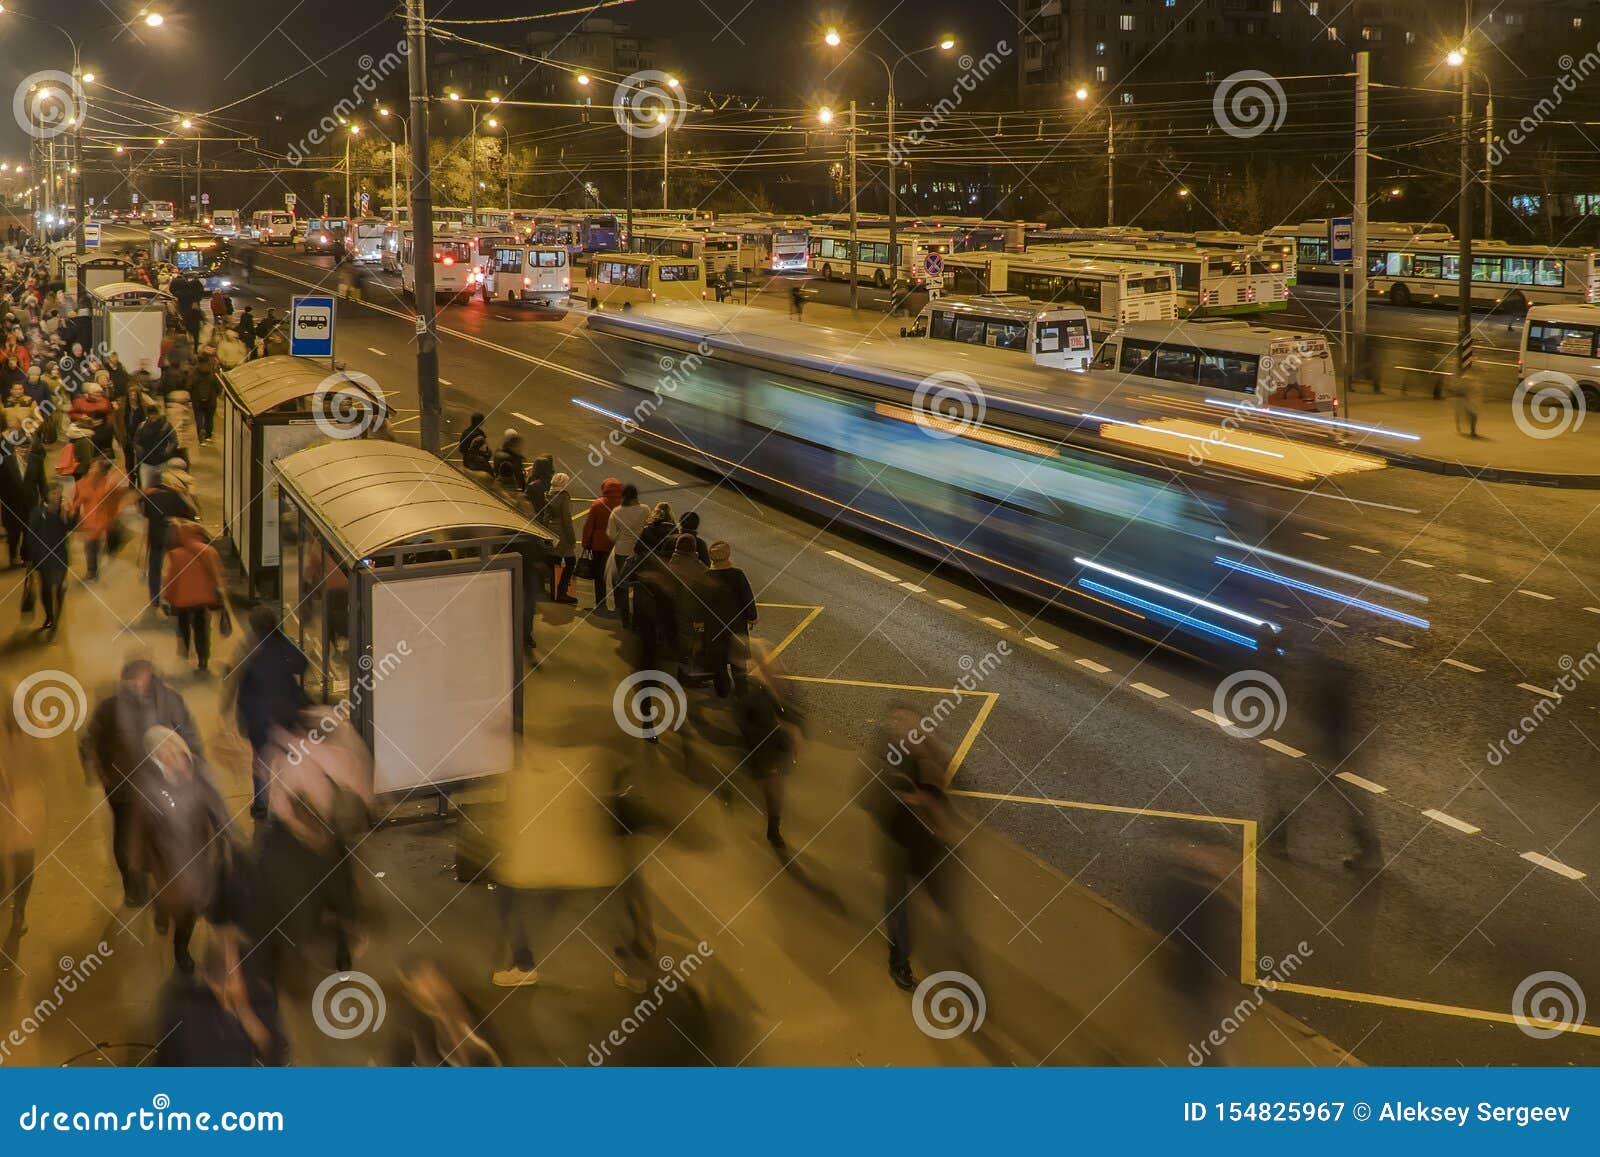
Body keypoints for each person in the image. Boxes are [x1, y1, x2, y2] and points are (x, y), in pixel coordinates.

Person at [862, 703, 971, 992]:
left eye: (915, 725)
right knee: (898, 908)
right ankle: (899, 964)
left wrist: (930, 750)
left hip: (927, 847)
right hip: (899, 846)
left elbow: (954, 779)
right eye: (902, 723)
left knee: (941, 900)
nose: (910, 729)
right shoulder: (888, 759)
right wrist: (913, 802)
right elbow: (870, 798)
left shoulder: (922, 755)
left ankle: (956, 949)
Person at [80, 656, 205, 909]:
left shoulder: (169, 702)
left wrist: (192, 763)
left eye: (141, 682)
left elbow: (188, 735)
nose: (136, 688)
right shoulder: (110, 707)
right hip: (122, 789)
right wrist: (99, 773)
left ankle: (156, 886)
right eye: (131, 683)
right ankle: (132, 887)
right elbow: (88, 741)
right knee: (125, 838)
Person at [136, 725, 227, 973]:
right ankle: (169, 926)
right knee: (178, 905)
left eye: (173, 749)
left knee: (192, 908)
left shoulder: (199, 770)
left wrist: (225, 834)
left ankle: (178, 940)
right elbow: (142, 829)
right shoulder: (149, 786)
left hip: (197, 854)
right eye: (162, 753)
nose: (172, 756)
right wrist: (145, 860)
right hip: (167, 863)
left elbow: (217, 806)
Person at [157, 927, 287, 1065]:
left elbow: (275, 1056)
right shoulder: (183, 1014)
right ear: (211, 981)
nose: (238, 985)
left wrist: (244, 1012)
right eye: (231, 976)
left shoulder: (259, 1000)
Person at [231, 605, 309, 821]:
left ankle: (262, 806)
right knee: (289, 758)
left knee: (261, 764)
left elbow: (243, 691)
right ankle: (291, 801)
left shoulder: (249, 651)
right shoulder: (280, 645)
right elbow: (301, 665)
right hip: (286, 716)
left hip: (260, 721)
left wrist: (242, 720)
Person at [733, 645, 801, 855]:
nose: (773, 665)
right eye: (767, 662)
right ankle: (773, 826)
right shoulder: (751, 690)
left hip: (780, 747)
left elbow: (794, 714)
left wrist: (794, 733)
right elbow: (744, 722)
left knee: (776, 789)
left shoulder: (783, 685)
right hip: (762, 749)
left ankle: (773, 827)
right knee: (769, 789)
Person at [0, 687, 44, 961]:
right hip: (15, 810)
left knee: (23, 866)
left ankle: (18, 911)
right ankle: (14, 909)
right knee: (17, 865)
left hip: (24, 810)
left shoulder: (31, 728)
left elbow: (43, 759)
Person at [162, 518, 224, 672]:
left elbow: (171, 580)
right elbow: (218, 575)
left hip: (182, 600)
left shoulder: (176, 554)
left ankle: (184, 652)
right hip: (203, 600)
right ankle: (203, 659)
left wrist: (167, 598)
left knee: (183, 625)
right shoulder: (209, 551)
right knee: (202, 628)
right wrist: (218, 594)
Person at [139, 467, 197, 609]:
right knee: (175, 565)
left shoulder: (148, 496)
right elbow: (186, 512)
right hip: (173, 535)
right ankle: (175, 595)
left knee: (155, 566)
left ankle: (155, 598)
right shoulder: (174, 494)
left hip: (155, 534)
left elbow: (144, 512)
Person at [707, 540, 756, 696]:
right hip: (736, 626)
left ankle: (723, 690)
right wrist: (751, 617)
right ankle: (742, 692)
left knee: (719, 661)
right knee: (738, 662)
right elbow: (747, 597)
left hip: (714, 628)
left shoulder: (706, 576)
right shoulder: (737, 575)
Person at [67, 458, 127, 581]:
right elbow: (76, 502)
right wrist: (73, 512)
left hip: (104, 523)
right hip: (92, 525)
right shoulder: (83, 484)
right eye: (91, 468)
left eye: (95, 468)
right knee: (91, 547)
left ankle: (97, 565)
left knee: (97, 546)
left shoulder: (108, 485)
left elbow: (117, 499)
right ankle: (92, 571)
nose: (92, 470)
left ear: (101, 472)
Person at [23, 483, 73, 631]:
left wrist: (66, 515)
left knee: (58, 587)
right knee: (45, 589)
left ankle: (57, 612)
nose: (57, 497)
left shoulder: (62, 512)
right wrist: (29, 558)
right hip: (43, 557)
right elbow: (31, 535)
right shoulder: (37, 512)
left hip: (60, 556)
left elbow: (72, 526)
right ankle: (49, 616)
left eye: (59, 494)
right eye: (54, 494)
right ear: (46, 496)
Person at [0, 431, 46, 567]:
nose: (24, 451)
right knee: (13, 533)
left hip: (30, 504)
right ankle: (13, 555)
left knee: (29, 532)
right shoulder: (6, 463)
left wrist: (45, 498)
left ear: (31, 447)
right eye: (21, 448)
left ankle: (25, 557)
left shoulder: (37, 461)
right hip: (11, 506)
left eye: (27, 448)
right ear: (15, 448)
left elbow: (42, 482)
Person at [607, 483, 649, 628]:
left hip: (621, 552)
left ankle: (624, 617)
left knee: (621, 583)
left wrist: (621, 537)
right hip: (639, 552)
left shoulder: (617, 511)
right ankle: (638, 617)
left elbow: (611, 534)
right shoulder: (645, 509)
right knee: (638, 584)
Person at [580, 477, 623, 612]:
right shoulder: (624, 505)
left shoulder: (598, 504)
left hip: (599, 545)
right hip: (618, 545)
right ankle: (620, 605)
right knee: (617, 576)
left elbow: (589, 526)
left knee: (600, 576)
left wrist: (586, 542)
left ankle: (601, 604)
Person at [536, 471, 578, 604]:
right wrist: (572, 538)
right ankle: (561, 593)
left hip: (551, 533)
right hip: (563, 536)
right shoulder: (564, 497)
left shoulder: (548, 495)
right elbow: (567, 521)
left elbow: (545, 517)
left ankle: (554, 593)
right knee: (570, 563)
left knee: (554, 563)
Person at [134, 401, 178, 489]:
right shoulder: (142, 426)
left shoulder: (166, 426)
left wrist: (166, 452)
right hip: (146, 464)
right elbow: (136, 441)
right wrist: (140, 452)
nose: (153, 416)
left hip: (162, 463)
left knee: (163, 490)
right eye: (150, 414)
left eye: (155, 414)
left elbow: (174, 441)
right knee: (146, 490)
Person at [188, 349, 220, 445]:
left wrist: (192, 395)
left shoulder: (193, 373)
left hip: (197, 400)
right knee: (209, 419)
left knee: (199, 418)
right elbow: (219, 386)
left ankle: (201, 434)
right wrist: (216, 394)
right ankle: (208, 436)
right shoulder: (213, 372)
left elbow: (189, 386)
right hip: (211, 400)